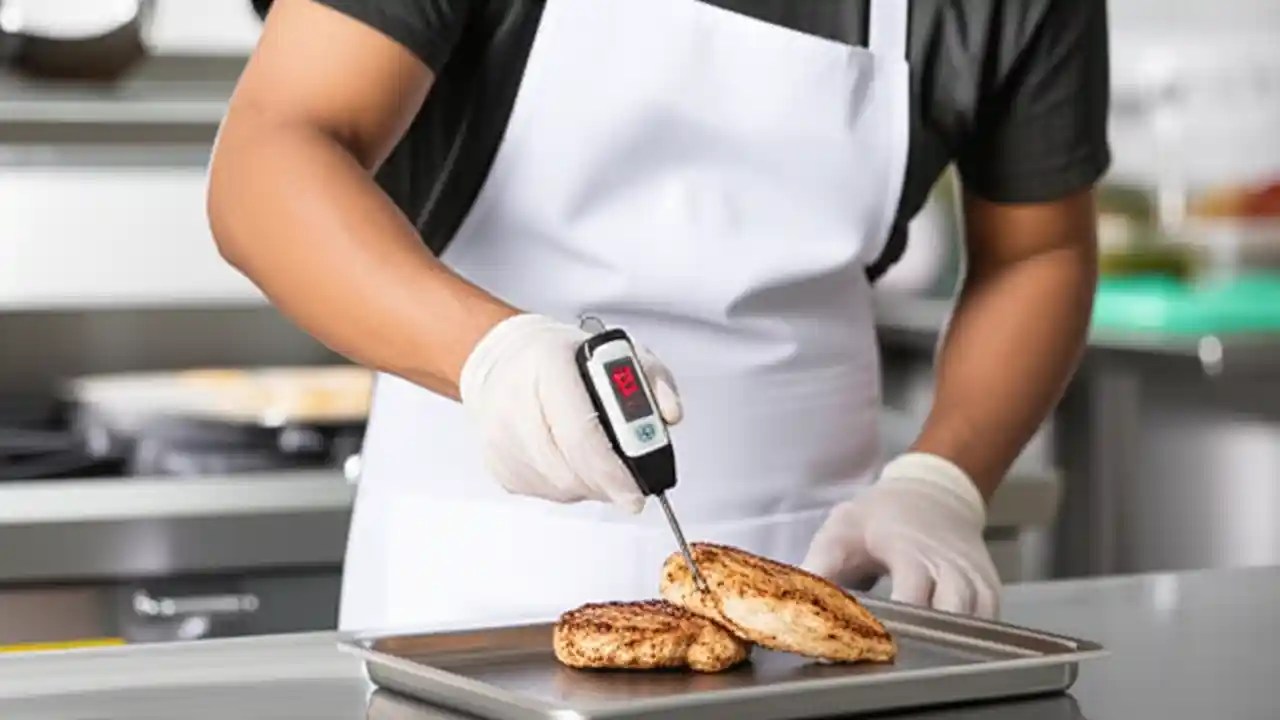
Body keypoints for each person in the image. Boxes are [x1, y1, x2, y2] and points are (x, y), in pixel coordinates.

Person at [209, 0, 1108, 631]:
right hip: (470, 584)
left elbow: (1037, 253)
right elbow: (273, 151)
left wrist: (942, 481)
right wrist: (490, 355)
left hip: (819, 578)